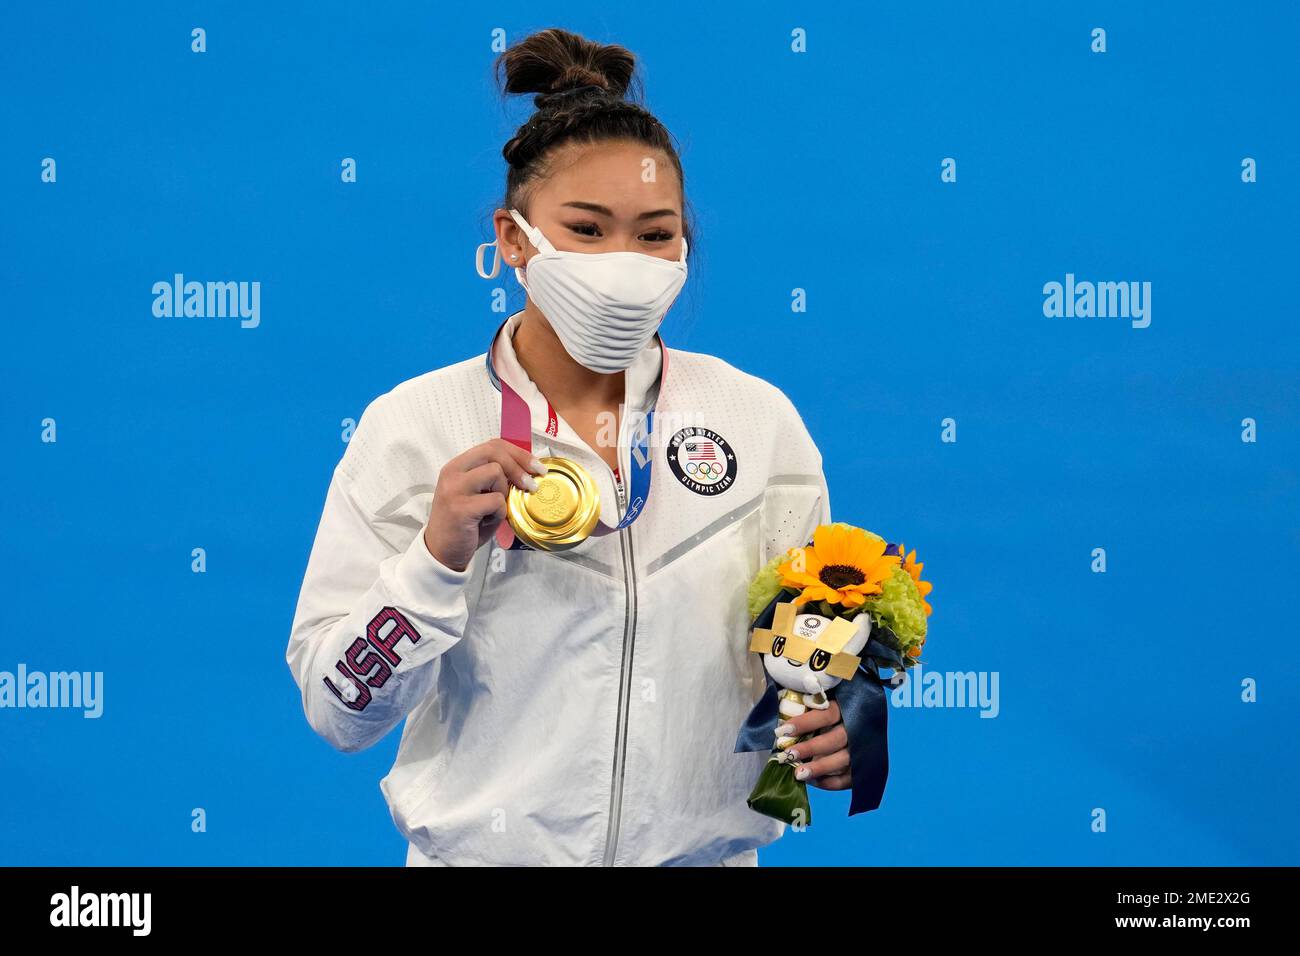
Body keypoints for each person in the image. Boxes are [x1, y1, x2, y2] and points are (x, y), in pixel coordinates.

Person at [286, 27, 849, 867]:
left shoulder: (754, 420)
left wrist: (837, 720)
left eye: (655, 234)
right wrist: (434, 562)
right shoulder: (414, 425)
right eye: (587, 230)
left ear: (684, 246)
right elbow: (340, 712)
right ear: (513, 239)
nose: (625, 263)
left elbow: (812, 654)